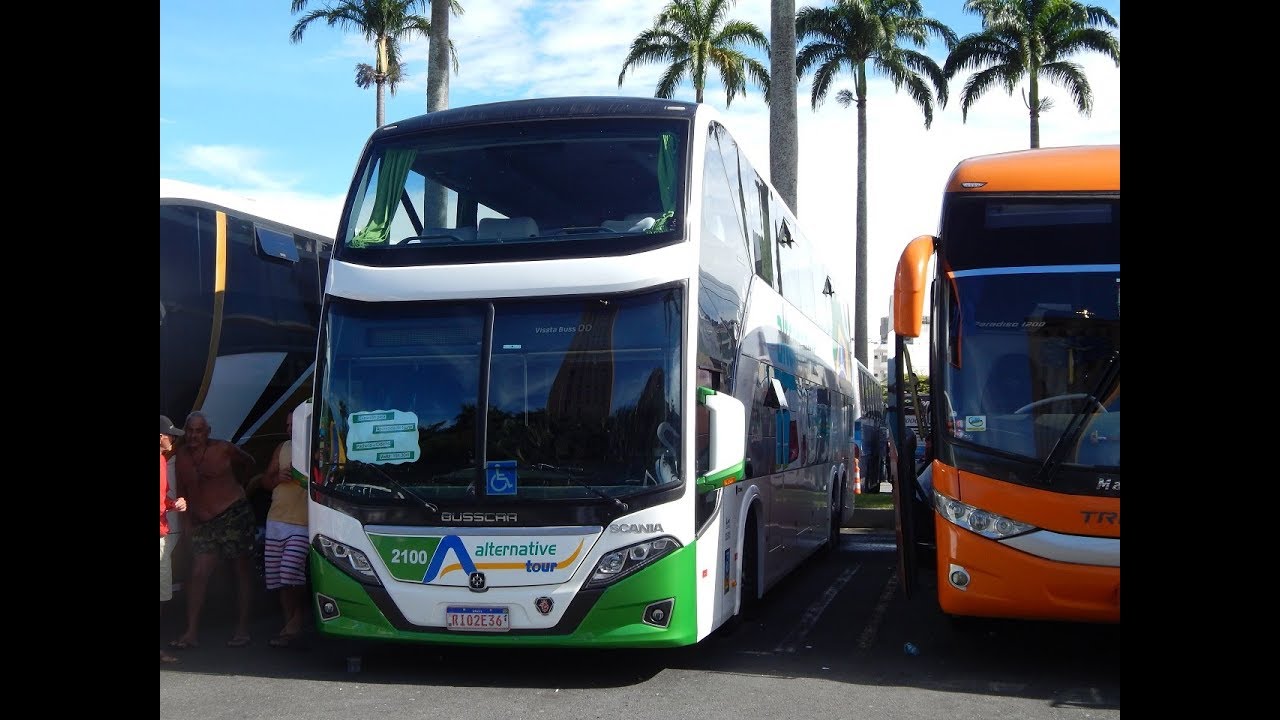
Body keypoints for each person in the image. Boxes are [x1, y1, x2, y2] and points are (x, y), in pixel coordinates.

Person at [168, 410, 257, 650]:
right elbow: (183, 492)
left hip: (233, 514)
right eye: (190, 430)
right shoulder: (182, 456)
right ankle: (191, 632)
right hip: (202, 522)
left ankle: (242, 629)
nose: (194, 435)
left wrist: (241, 489)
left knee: (241, 570)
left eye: (199, 431)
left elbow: (249, 463)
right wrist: (186, 524)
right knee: (198, 573)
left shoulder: (223, 449)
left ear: (208, 432)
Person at [261, 412, 309, 647]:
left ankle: (298, 616)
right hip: (276, 520)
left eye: (294, 424)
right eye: (287, 424)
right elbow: (265, 482)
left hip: (303, 522)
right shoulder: (282, 447)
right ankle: (290, 626)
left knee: (290, 571)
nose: (290, 428)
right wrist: (278, 477)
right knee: (278, 578)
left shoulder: (317, 448)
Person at [160, 416, 189, 664]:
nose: (175, 439)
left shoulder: (161, 460)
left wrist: (173, 504)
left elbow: (162, 499)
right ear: (160, 437)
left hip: (162, 533)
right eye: (171, 434)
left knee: (161, 595)